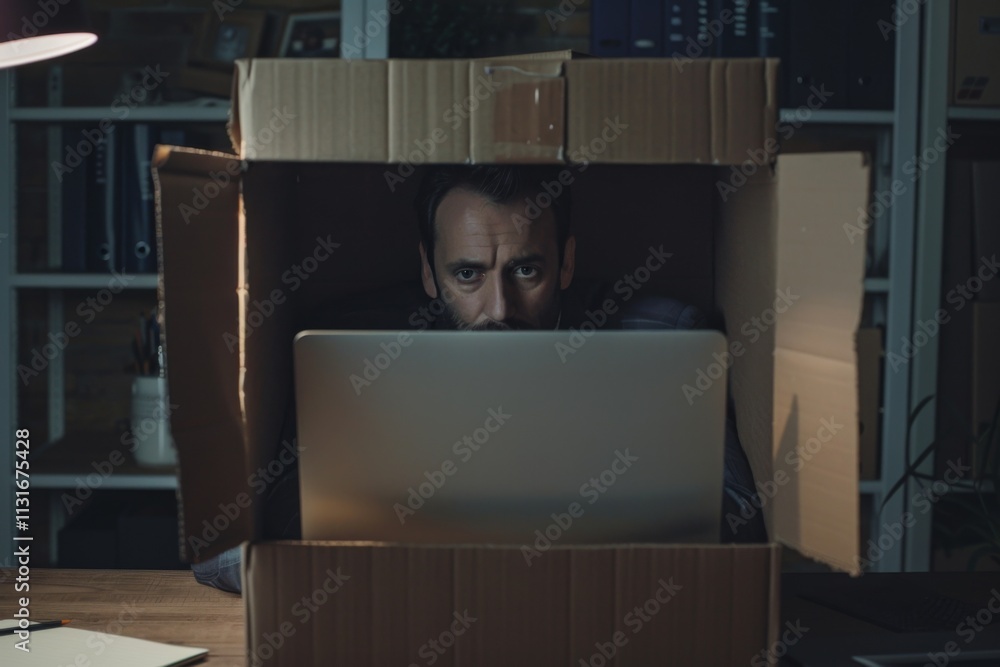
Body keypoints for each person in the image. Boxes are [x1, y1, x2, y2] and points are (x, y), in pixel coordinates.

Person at [191, 165, 767, 594]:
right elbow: (234, 552)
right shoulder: (348, 352)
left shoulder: (663, 341)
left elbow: (743, 530)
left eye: (526, 270)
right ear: (428, 271)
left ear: (565, 263)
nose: (498, 307)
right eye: (468, 274)